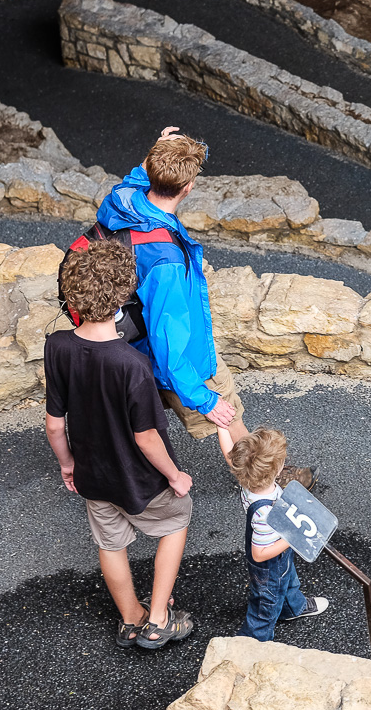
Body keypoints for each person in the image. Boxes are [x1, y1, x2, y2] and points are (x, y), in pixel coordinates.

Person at [96, 126, 315, 489]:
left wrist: (160, 152)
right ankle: (262, 482)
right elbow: (169, 342)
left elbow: (134, 181)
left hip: (124, 340)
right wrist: (203, 398)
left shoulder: (122, 201)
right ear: (188, 187)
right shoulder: (165, 260)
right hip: (174, 356)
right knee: (226, 409)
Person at [44, 239, 195, 649]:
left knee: (109, 542)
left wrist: (67, 464)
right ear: (125, 294)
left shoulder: (56, 346)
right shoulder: (132, 364)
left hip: (93, 472)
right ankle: (160, 618)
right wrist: (175, 474)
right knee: (178, 518)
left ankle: (131, 618)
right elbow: (146, 438)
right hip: (140, 478)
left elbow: (55, 425)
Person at [221, 426, 330, 640]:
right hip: (269, 560)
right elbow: (259, 554)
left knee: (288, 579)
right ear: (278, 469)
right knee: (266, 602)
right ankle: (253, 641)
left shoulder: (247, 479)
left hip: (275, 548)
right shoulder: (265, 511)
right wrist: (293, 535)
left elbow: (229, 456)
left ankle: (292, 608)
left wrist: (222, 426)